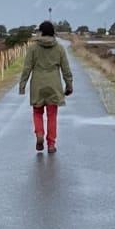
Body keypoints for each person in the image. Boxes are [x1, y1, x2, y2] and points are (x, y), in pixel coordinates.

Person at [18, 20, 73, 154]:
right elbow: (66, 69)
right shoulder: (59, 48)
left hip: (37, 84)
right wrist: (69, 85)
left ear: (41, 32)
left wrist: (22, 85)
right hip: (54, 84)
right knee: (52, 115)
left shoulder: (33, 48)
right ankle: (51, 144)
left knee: (37, 112)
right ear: (53, 32)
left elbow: (27, 68)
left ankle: (39, 134)